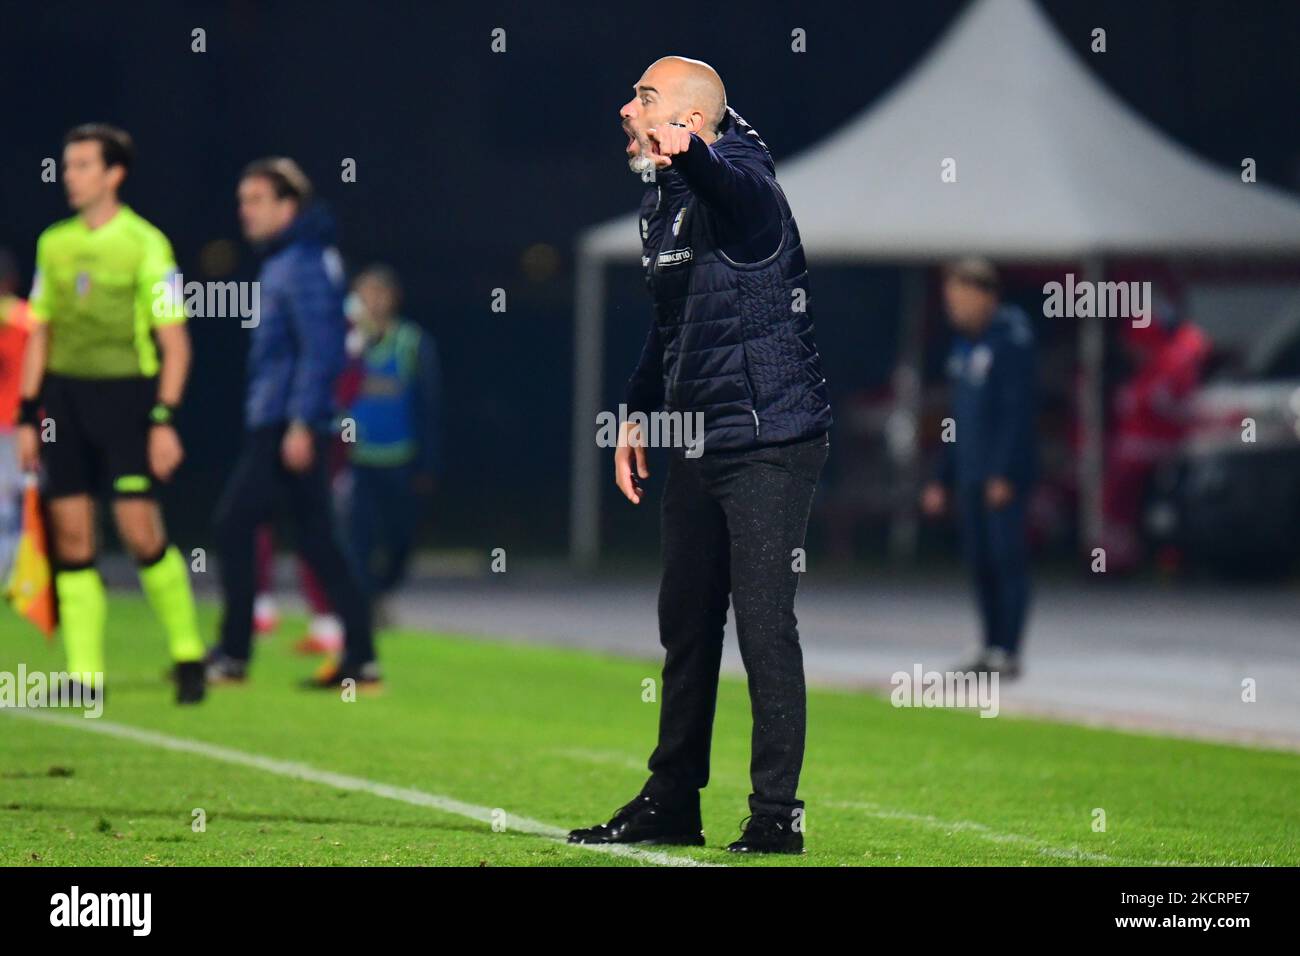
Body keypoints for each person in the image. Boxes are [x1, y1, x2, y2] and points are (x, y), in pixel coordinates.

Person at [567, 57, 832, 855]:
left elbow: (739, 190)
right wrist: (636, 413)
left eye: (643, 96)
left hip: (769, 438)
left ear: (689, 120)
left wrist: (696, 152)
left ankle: (776, 816)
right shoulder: (664, 199)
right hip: (698, 436)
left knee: (763, 625)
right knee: (686, 622)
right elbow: (673, 323)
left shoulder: (741, 184)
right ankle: (673, 801)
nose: (625, 108)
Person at [16, 124, 205, 703]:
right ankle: (84, 677)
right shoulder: (54, 244)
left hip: (127, 400)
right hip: (67, 402)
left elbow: (175, 342)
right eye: (66, 166)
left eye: (80, 166)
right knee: (72, 536)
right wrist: (29, 415)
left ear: (113, 174)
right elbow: (39, 332)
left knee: (139, 531)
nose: (68, 176)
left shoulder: (145, 243)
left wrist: (164, 419)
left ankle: (188, 654)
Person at [207, 157, 377, 689]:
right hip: (280, 419)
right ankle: (361, 658)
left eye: (256, 200)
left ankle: (234, 654)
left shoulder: (304, 261)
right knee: (318, 539)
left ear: (289, 205)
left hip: (287, 423)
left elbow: (321, 349)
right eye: (242, 201)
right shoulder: (288, 258)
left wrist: (303, 422)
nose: (245, 212)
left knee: (234, 525)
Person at [921, 259, 1037, 679]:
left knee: (1007, 558)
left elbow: (1017, 413)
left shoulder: (1011, 340)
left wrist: (1004, 472)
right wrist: (941, 478)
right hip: (970, 471)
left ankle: (1008, 649)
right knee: (979, 560)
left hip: (999, 476)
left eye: (960, 299)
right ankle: (989, 646)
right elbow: (958, 419)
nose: (954, 308)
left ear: (986, 295)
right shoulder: (964, 346)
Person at [343, 265, 440, 611]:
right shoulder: (346, 344)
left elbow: (428, 406)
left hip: (400, 459)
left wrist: (427, 463)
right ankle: (367, 604)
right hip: (356, 460)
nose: (372, 302)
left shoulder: (413, 343)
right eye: (364, 294)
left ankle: (383, 587)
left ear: (394, 298)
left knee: (400, 539)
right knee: (358, 538)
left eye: (378, 293)